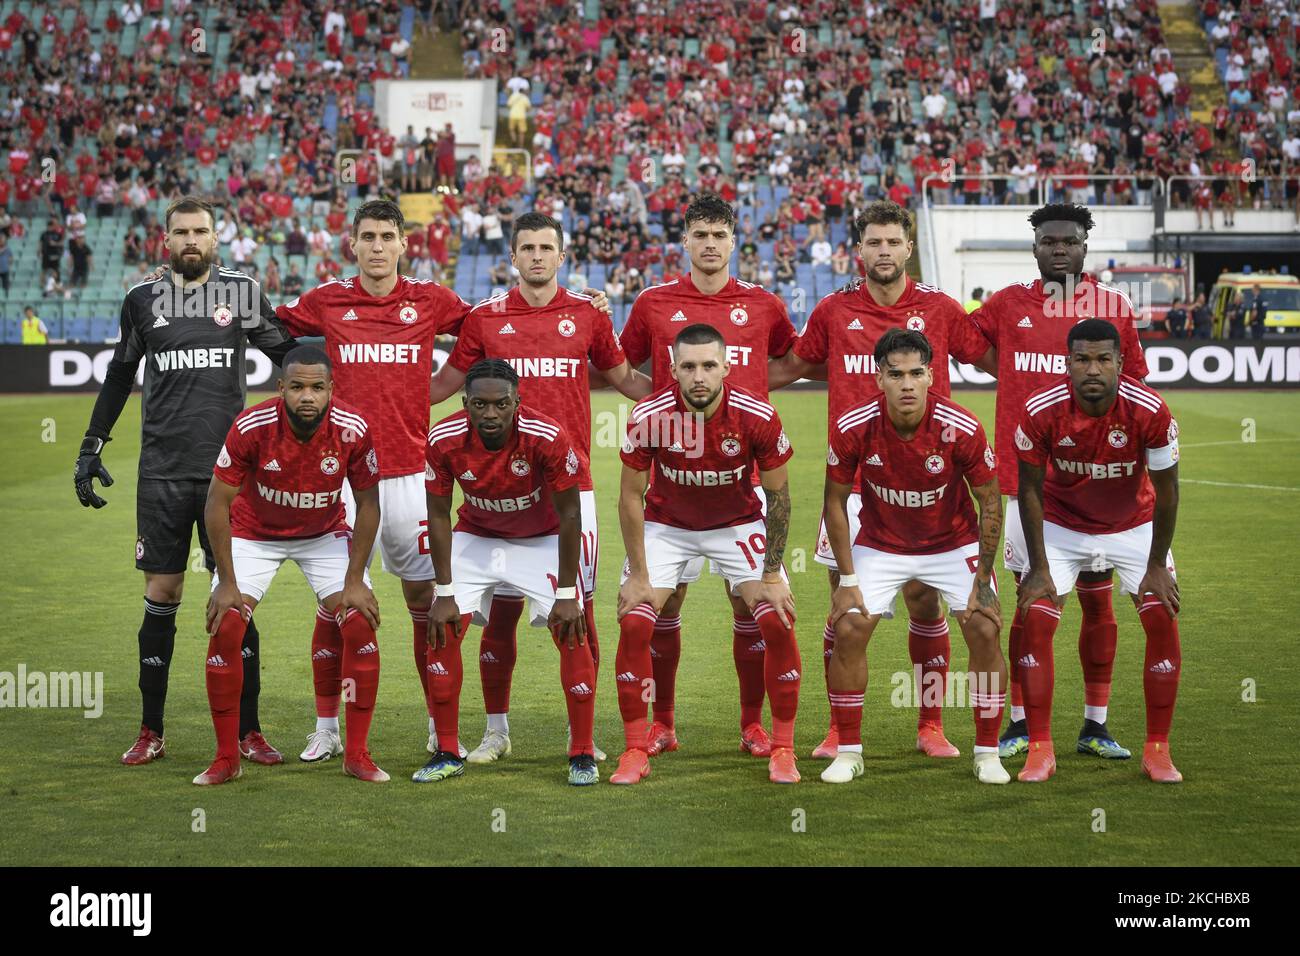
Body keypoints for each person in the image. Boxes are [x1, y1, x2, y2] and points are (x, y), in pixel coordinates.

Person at [769, 199, 996, 759]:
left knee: (925, 602)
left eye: (893, 242)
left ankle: (931, 723)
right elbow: (789, 367)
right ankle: (838, 731)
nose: (884, 251)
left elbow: (994, 358)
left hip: (929, 484)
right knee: (845, 608)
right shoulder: (831, 311)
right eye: (874, 242)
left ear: (909, 248)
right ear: (859, 249)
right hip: (855, 485)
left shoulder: (941, 309)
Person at [75, 196, 297, 766]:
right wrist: (90, 445)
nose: (191, 240)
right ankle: (152, 729)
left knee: (236, 598)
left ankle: (249, 731)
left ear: (216, 239)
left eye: (201, 231)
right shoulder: (141, 300)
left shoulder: (242, 293)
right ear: (166, 239)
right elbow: (120, 374)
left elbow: (292, 360)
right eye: (182, 232)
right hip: (163, 474)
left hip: (230, 476)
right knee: (163, 594)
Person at [427, 212, 648, 762]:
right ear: (513, 258)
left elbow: (623, 380)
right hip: (495, 490)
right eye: (526, 248)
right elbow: (444, 387)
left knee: (577, 614)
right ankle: (496, 733)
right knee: (496, 618)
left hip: (569, 489)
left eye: (546, 247)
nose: (536, 256)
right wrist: (372, 389)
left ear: (562, 255)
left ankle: (585, 740)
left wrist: (692, 395)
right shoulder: (483, 319)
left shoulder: (586, 316)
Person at [616, 192, 799, 759]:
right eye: (701, 235)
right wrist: (661, 407)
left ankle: (753, 726)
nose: (711, 244)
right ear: (686, 242)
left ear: (734, 240)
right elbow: (621, 367)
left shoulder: (764, 304)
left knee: (753, 607)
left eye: (721, 235)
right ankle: (661, 725)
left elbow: (793, 361)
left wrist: (749, 406)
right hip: (670, 490)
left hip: (737, 483)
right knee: (661, 609)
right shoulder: (652, 303)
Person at [968, 203, 1150, 762]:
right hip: (1026, 482)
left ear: (1085, 245)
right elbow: (971, 348)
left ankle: (1095, 725)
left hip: (1095, 483)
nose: (1059, 249)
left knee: (1099, 604)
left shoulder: (1112, 306)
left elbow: (1134, 383)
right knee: (1032, 601)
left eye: (1069, 240)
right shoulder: (1006, 304)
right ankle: (1022, 723)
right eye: (1049, 241)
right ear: (1035, 248)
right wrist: (1019, 371)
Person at [821, 328, 1008, 785]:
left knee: (983, 625)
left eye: (916, 373)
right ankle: (848, 751)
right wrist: (848, 580)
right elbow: (833, 503)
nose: (907, 384)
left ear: (931, 376)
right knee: (848, 625)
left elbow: (989, 500)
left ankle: (987, 753)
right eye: (896, 374)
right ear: (879, 378)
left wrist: (984, 577)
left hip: (952, 541)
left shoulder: (960, 426)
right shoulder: (852, 426)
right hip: (882, 541)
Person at [198, 346, 385, 785]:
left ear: (331, 390)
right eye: (297, 386)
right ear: (281, 387)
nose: (307, 396)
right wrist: (225, 582)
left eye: (317, 387)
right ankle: (227, 757)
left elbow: (369, 502)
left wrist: (355, 579)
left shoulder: (352, 428)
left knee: (358, 621)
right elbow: (216, 502)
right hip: (253, 534)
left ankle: (356, 753)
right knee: (227, 623)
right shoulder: (251, 426)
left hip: (323, 535)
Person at [1015, 318, 1183, 784]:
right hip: (1063, 526)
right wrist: (1040, 567)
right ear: (1067, 363)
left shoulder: (1151, 411)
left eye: (1103, 359)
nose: (1093, 369)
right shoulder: (1040, 410)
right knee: (1035, 617)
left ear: (1120, 363)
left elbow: (1168, 494)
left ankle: (1158, 749)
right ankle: (1041, 749)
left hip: (1134, 527)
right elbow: (1029, 492)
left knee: (1161, 616)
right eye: (1083, 359)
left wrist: (1155, 566)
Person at [417, 360, 597, 785]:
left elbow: (571, 514)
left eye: (501, 404)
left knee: (573, 632)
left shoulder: (547, 435)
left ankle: (582, 753)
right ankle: (446, 750)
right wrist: (443, 590)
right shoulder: (443, 438)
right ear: (465, 404)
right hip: (478, 536)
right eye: (479, 404)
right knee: (441, 626)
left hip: (542, 538)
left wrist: (568, 592)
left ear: (518, 402)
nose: (491, 414)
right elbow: (438, 515)